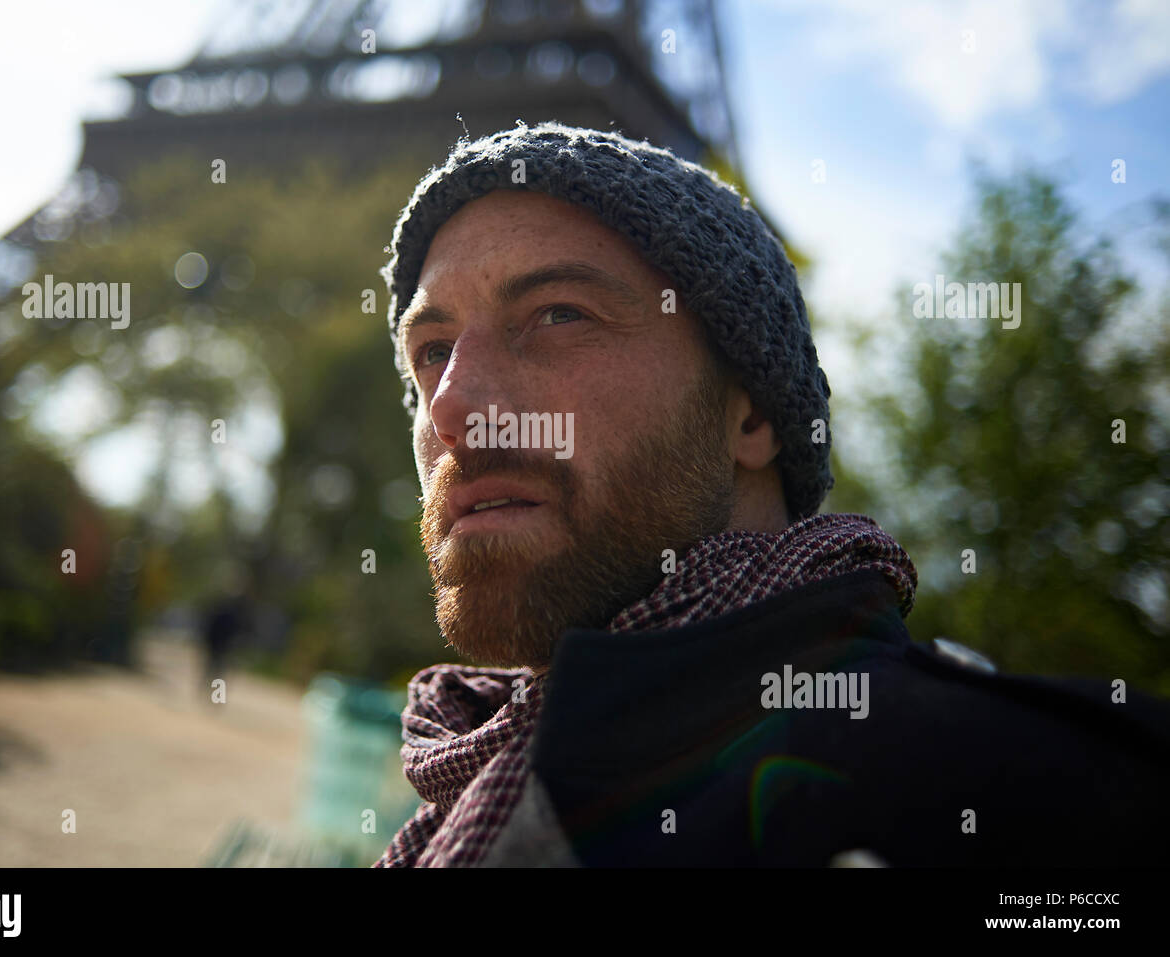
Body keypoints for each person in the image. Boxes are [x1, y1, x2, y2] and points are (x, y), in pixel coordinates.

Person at [370, 122, 1170, 867]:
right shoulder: (467, 773)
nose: (451, 407)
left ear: (750, 412)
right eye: (431, 349)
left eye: (557, 314)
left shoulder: (1058, 790)